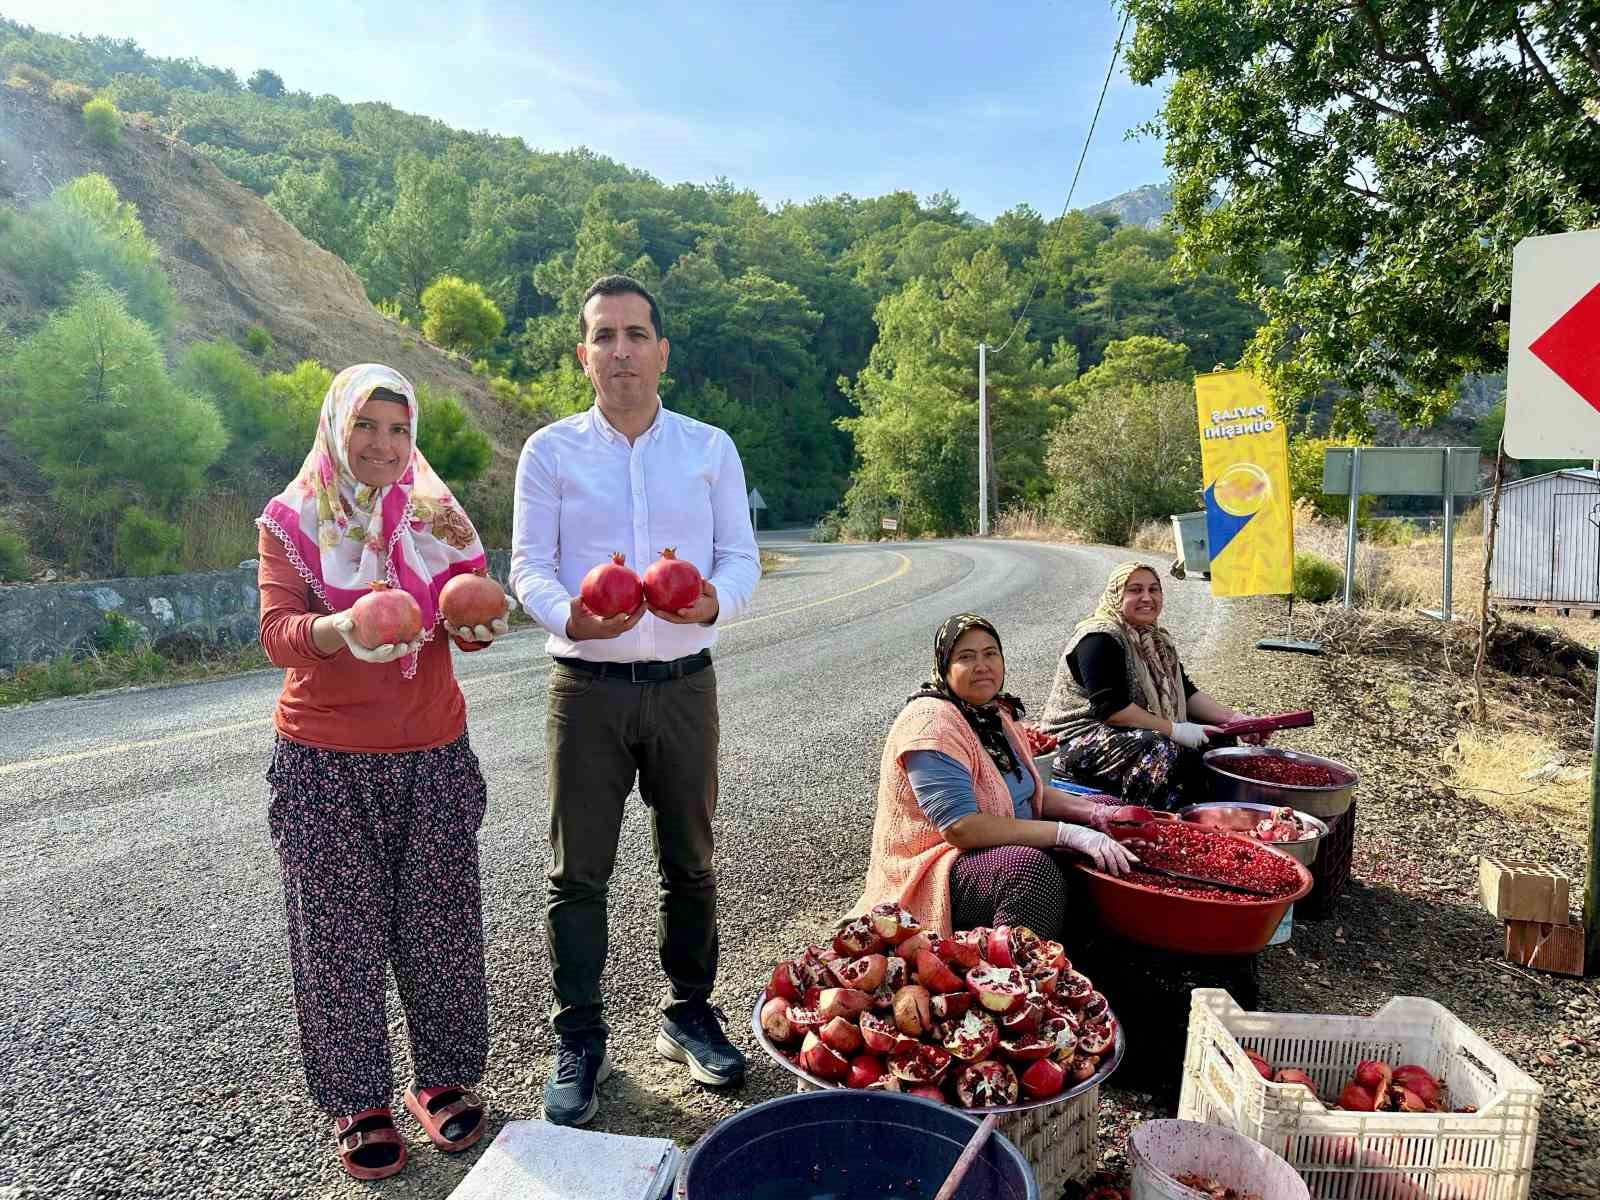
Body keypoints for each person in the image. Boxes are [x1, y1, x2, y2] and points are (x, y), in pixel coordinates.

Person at [510, 275, 761, 1128]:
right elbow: (528, 567)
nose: (620, 350)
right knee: (577, 874)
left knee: (690, 860)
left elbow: (741, 557)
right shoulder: (548, 451)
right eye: (604, 336)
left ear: (662, 351)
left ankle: (688, 1012)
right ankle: (578, 1035)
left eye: (635, 334)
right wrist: (566, 612)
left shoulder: (708, 448)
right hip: (585, 689)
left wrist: (714, 603)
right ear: (584, 355)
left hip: (685, 686)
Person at [256, 363, 512, 1181]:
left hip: (433, 752)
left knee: (440, 924)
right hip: (323, 762)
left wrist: (474, 631)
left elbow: (464, 616)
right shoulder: (292, 519)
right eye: (367, 426)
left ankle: (440, 1080)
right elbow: (277, 634)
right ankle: (357, 1099)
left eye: (399, 430)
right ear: (337, 428)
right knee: (336, 938)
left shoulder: (437, 517)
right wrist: (339, 627)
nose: (383, 445)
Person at [853, 613, 1147, 941]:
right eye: (966, 657)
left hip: (990, 844)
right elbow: (961, 829)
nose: (982, 665)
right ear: (944, 665)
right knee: (1030, 871)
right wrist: (1065, 834)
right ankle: (1010, 972)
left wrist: (1095, 813)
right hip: (935, 867)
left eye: (990, 653)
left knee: (1111, 815)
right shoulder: (931, 724)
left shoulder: (994, 714)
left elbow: (1029, 792)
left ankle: (1091, 939)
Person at [1039, 561, 1262, 810]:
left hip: (1127, 732)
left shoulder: (1154, 640)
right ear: (1116, 595)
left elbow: (1186, 693)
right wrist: (1174, 729)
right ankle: (1142, 817)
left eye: (1154, 589)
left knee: (1218, 740)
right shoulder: (1099, 637)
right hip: (1076, 741)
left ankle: (1205, 811)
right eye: (1135, 590)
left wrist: (1235, 720)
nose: (1147, 598)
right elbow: (1111, 710)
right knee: (1160, 745)